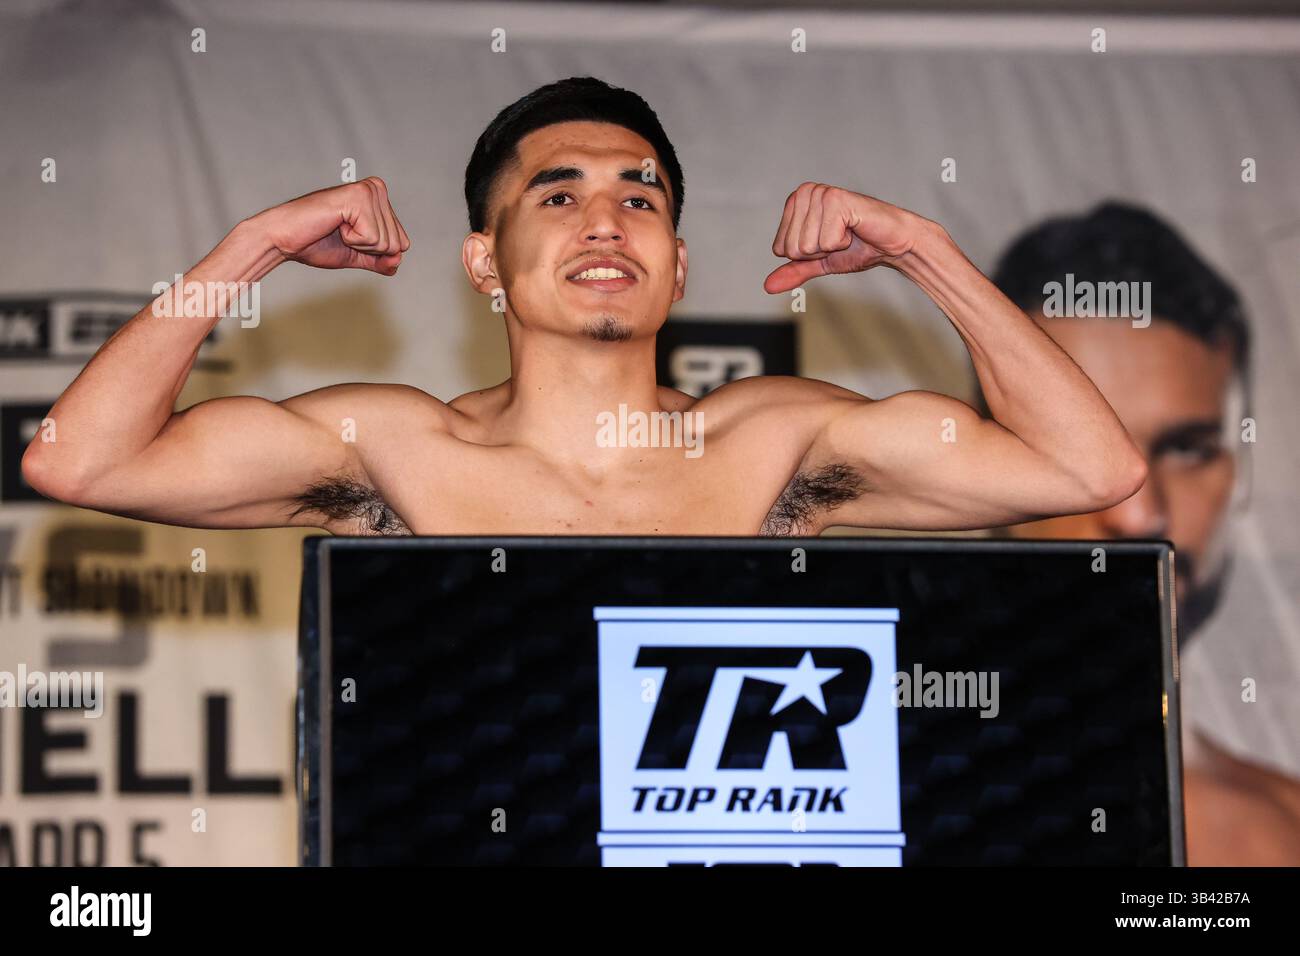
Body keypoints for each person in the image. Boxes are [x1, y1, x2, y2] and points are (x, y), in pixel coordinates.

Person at [22, 76, 1144, 549]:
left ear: (677, 264)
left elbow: (1090, 469)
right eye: (557, 197)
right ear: (484, 261)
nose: (606, 223)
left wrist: (923, 251)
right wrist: (252, 245)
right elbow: (79, 461)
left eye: (639, 198)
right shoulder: (392, 447)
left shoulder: (776, 441)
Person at [987, 202, 1300, 865]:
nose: (1140, 515)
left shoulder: (1286, 835)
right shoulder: (851, 808)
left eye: (1186, 448)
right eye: (1077, 449)